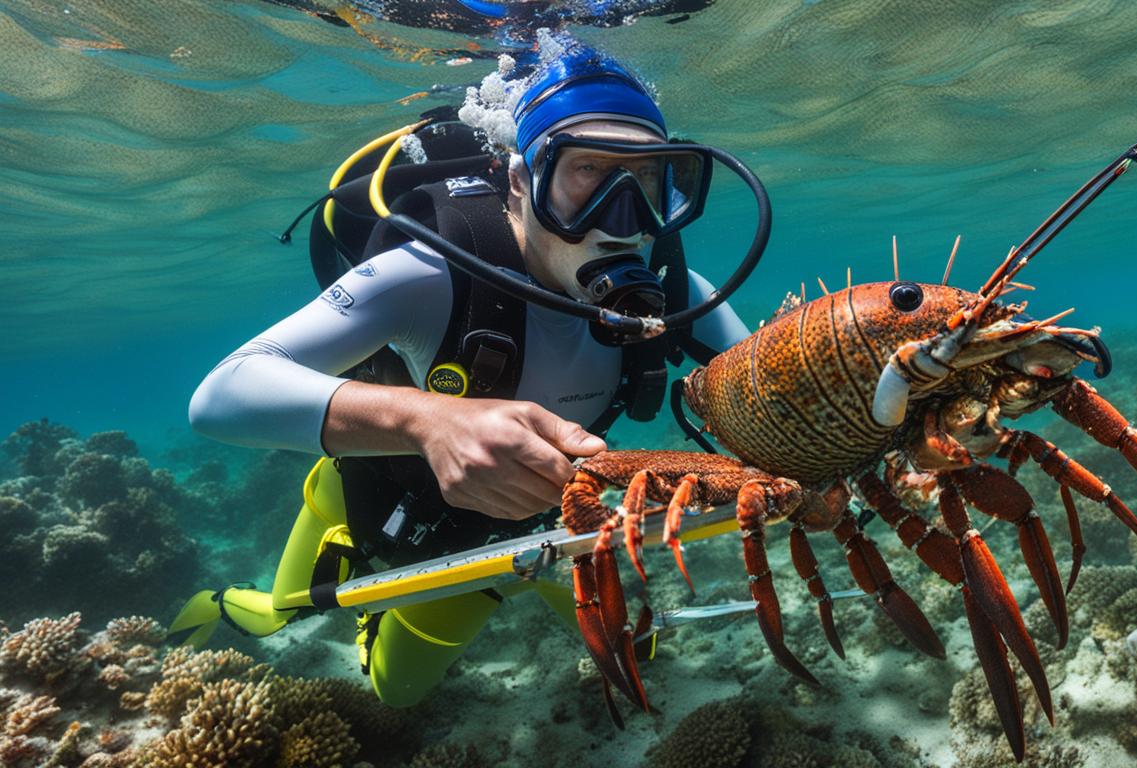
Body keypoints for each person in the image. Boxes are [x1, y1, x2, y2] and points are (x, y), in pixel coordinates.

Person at [167, 33, 761, 708]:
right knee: (368, 672)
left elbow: (776, 392)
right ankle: (248, 589)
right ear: (519, 180)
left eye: (648, 179)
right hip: (405, 499)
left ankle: (526, 580)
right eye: (588, 173)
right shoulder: (429, 273)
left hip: (549, 524)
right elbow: (219, 396)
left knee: (636, 651)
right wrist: (429, 420)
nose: (622, 220)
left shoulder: (677, 291)